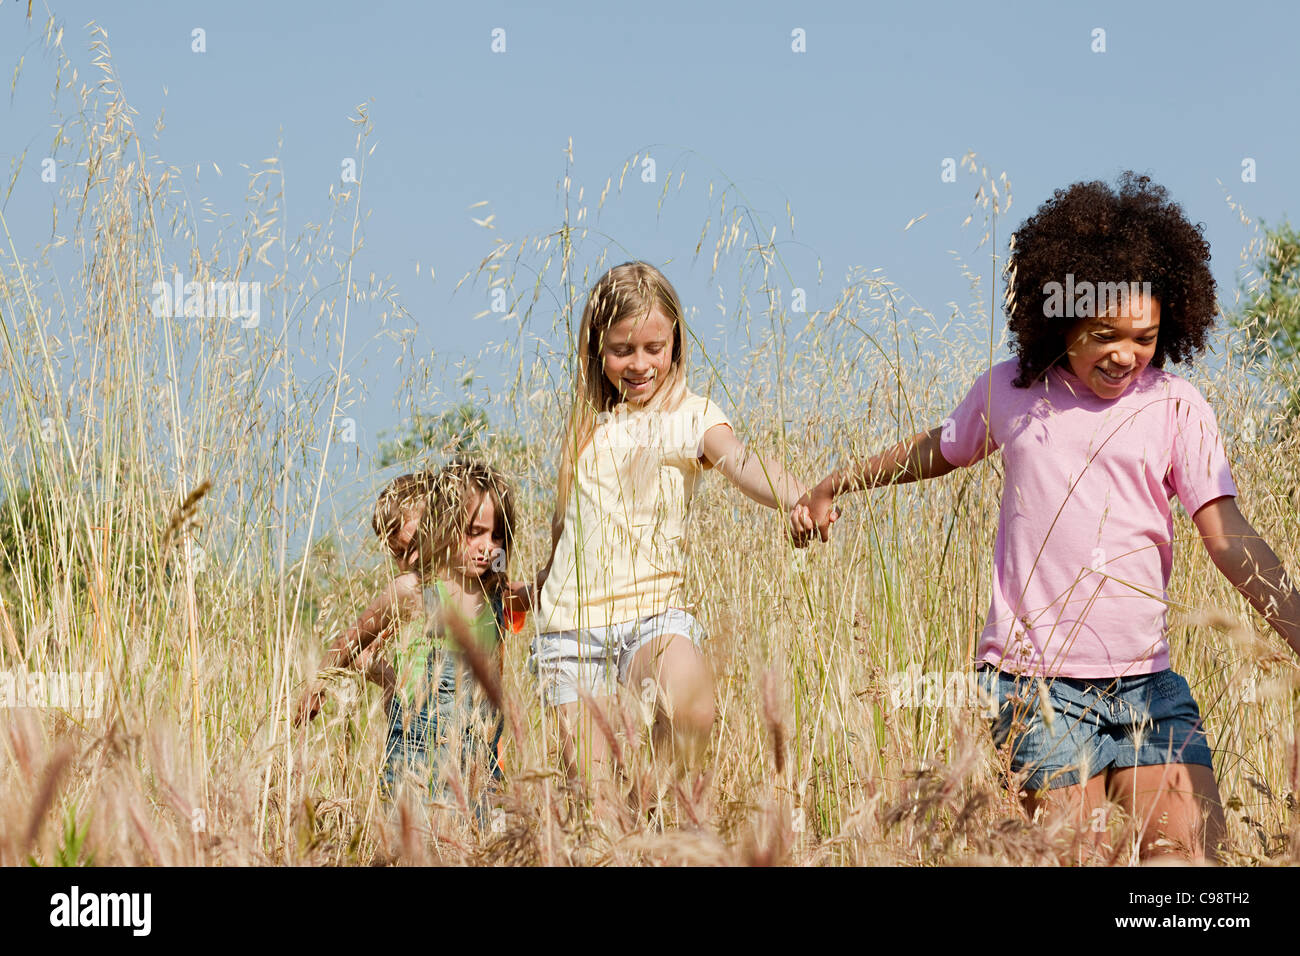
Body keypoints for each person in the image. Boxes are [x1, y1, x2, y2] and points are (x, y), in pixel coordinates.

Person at [800, 173, 1300, 861]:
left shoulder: (1178, 406)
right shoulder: (1010, 391)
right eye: (1104, 334)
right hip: (1034, 693)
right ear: (1059, 317)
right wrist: (836, 482)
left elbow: (1228, 535)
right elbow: (936, 450)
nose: (1126, 354)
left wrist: (1295, 621)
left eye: (1146, 336)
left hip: (1148, 687)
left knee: (1190, 864)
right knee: (1076, 857)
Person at [511, 261, 814, 791]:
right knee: (597, 800)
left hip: (653, 618)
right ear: (597, 349)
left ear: (675, 340)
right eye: (621, 350)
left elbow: (741, 461)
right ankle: (628, 827)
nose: (639, 364)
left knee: (692, 707)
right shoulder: (586, 424)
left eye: (654, 347)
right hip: (571, 631)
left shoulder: (689, 416)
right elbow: (569, 531)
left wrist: (796, 498)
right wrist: (532, 589)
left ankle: (654, 802)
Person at [297, 461, 517, 821]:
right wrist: (321, 683)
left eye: (495, 537)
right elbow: (351, 641)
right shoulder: (412, 592)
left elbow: (537, 587)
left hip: (480, 761)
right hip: (418, 759)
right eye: (400, 552)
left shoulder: (496, 592)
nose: (412, 559)